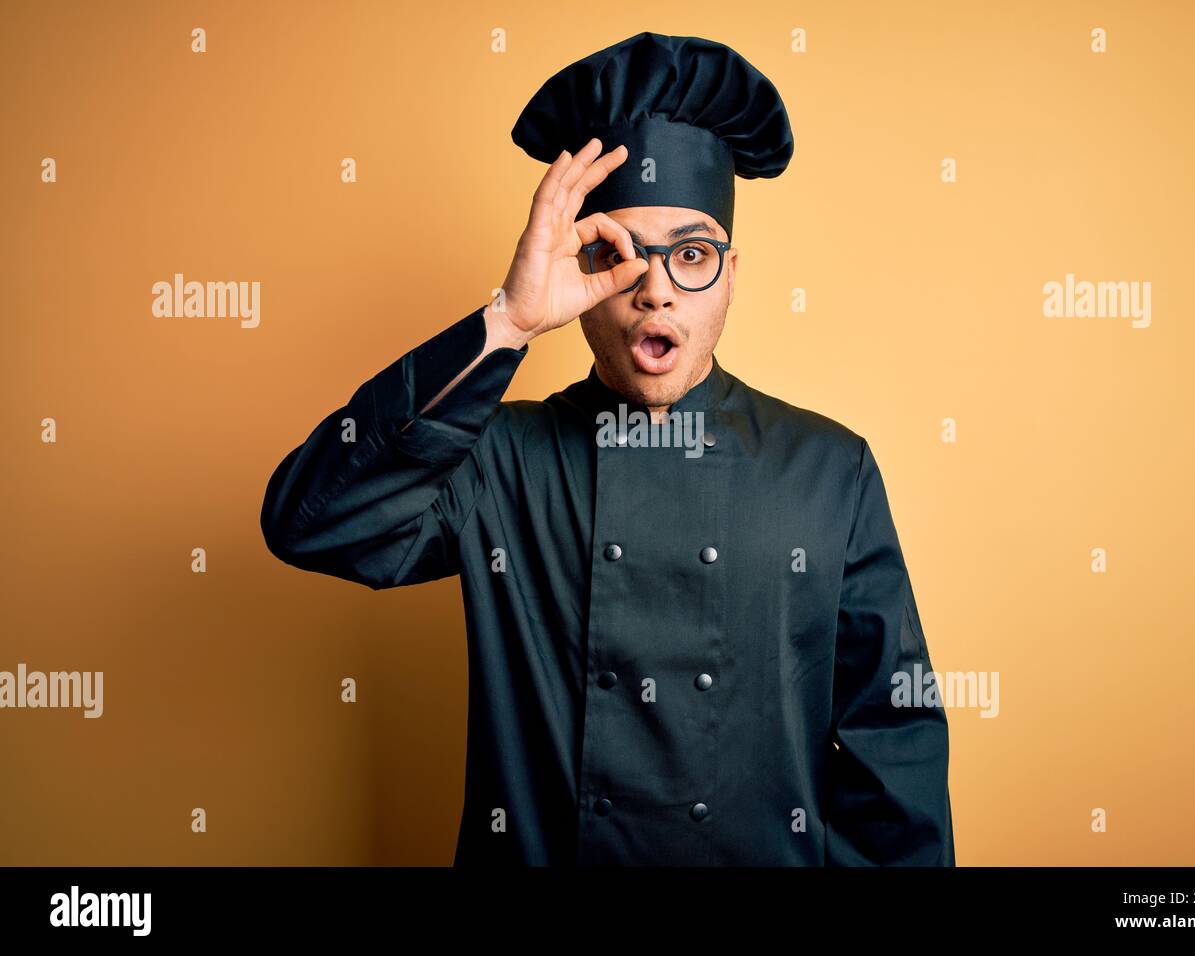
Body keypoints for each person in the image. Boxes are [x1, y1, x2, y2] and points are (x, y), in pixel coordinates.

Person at [260, 31, 955, 866]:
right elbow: (310, 522)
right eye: (617, 256)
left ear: (732, 274)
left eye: (691, 255)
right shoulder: (499, 460)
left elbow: (892, 741)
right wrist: (507, 322)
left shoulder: (829, 469)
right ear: (577, 272)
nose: (655, 287)